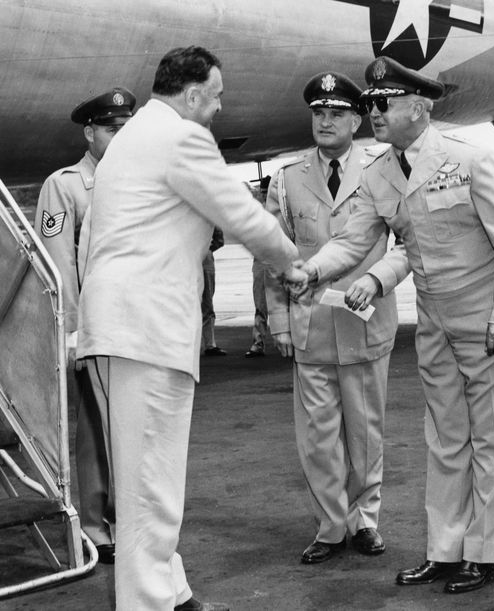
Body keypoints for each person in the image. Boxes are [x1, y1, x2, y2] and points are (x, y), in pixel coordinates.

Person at [77, 46, 305, 611]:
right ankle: (149, 604)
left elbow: (93, 243)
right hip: (147, 331)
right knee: (150, 484)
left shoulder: (130, 138)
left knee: (143, 475)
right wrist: (291, 262)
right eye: (217, 95)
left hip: (119, 327)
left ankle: (172, 593)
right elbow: (241, 211)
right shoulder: (180, 137)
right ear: (194, 93)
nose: (220, 108)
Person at [301, 56, 494, 594]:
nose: (373, 112)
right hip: (435, 323)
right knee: (446, 439)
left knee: (493, 441)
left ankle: (486, 552)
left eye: (383, 103)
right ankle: (444, 550)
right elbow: (356, 240)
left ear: (419, 108)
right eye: (370, 104)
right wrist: (308, 270)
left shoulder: (468, 160)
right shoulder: (378, 172)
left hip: (486, 320)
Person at [264, 71, 409, 564]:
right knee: (318, 436)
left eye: (335, 114)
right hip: (310, 325)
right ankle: (329, 525)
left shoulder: (383, 168)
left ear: (355, 120)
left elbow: (408, 243)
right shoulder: (286, 179)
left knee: (366, 431)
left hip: (365, 321)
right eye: (317, 114)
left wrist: (380, 280)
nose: (324, 122)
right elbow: (273, 255)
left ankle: (365, 519)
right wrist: (278, 321)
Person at [34, 86, 136, 565]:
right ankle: (97, 526)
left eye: (126, 128)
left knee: (134, 426)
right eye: (113, 129)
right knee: (96, 429)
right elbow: (57, 264)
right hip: (93, 328)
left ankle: (131, 517)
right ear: (90, 132)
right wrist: (72, 331)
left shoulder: (136, 178)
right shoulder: (67, 184)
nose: (122, 137)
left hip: (135, 325)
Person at [246, 176, 272, 357]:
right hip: (262, 261)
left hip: (275, 261)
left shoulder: (280, 210)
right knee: (261, 304)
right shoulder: (257, 212)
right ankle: (258, 342)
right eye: (262, 191)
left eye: (266, 190)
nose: (264, 194)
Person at [201, 226, 226, 356]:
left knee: (206, 303)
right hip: (204, 258)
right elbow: (219, 239)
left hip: (196, 258)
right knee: (207, 304)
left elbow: (219, 238)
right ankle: (209, 344)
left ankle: (208, 344)